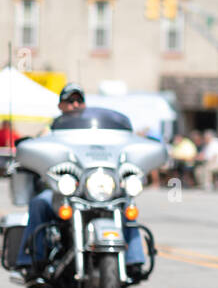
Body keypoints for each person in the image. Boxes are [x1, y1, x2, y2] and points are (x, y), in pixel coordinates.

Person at [17, 83, 145, 274]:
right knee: (39, 203)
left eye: (79, 100)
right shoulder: (50, 130)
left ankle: (134, 259)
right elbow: (34, 149)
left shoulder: (98, 132)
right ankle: (32, 260)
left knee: (126, 203)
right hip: (61, 190)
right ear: (61, 105)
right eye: (70, 101)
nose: (75, 105)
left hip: (94, 189)